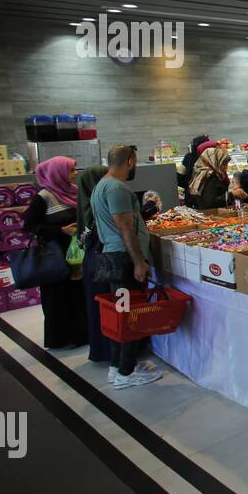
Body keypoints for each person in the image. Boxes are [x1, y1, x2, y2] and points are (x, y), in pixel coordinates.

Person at [91, 145, 162, 387]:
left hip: (115, 258)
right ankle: (126, 372)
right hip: (124, 260)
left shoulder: (102, 184)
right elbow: (125, 228)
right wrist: (138, 262)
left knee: (121, 314)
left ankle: (116, 366)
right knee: (131, 315)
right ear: (130, 160)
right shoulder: (116, 188)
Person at [23, 156, 88, 349]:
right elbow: (30, 225)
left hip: (76, 253)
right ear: (57, 173)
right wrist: (60, 230)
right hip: (55, 255)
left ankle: (81, 334)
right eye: (71, 170)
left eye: (75, 169)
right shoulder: (44, 197)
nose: (75, 173)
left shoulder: (75, 192)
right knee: (58, 298)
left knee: (78, 294)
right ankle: (60, 338)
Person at [77, 164, 112, 363]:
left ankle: (102, 349)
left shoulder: (86, 202)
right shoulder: (98, 204)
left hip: (92, 259)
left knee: (99, 306)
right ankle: (110, 352)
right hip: (102, 259)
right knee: (109, 305)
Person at [187, 145, 231, 209]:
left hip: (203, 213)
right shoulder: (210, 176)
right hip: (211, 214)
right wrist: (232, 195)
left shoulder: (199, 173)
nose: (226, 167)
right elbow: (210, 202)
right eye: (223, 164)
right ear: (214, 161)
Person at [175, 134, 208, 205]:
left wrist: (187, 186)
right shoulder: (209, 157)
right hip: (206, 196)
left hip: (190, 196)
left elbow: (179, 177)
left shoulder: (188, 157)